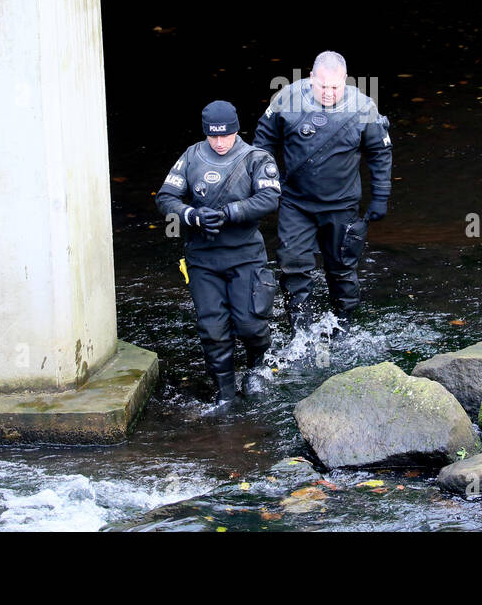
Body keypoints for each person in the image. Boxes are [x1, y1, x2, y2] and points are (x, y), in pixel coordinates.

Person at [254, 51, 392, 331]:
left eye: (335, 86)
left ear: (346, 81)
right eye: (323, 86)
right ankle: (300, 328)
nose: (329, 92)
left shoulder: (363, 107)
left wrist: (381, 195)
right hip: (296, 202)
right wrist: (266, 181)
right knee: (293, 265)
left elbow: (379, 151)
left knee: (341, 268)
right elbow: (263, 141)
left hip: (342, 205)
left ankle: (344, 324)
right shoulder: (287, 99)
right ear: (310, 79)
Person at [156, 101, 282, 402]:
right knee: (212, 329)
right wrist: (192, 215)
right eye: (213, 136)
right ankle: (224, 392)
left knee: (250, 325)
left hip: (246, 256)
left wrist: (231, 212)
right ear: (205, 134)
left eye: (225, 135)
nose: (220, 142)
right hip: (203, 258)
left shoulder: (255, 158)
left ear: (236, 130)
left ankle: (256, 369)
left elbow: (270, 198)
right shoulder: (191, 156)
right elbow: (166, 198)